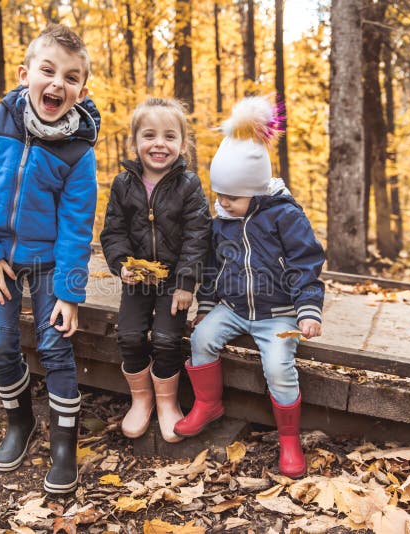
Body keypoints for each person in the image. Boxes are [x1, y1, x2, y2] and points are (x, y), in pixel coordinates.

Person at [0, 24, 100, 495]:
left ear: (81, 90)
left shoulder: (78, 150)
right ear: (25, 73)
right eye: (48, 71)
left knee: (56, 345)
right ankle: (20, 420)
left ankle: (63, 441)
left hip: (51, 261)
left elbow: (77, 225)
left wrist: (71, 294)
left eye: (71, 78)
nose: (57, 83)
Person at [173, 96, 325, 478]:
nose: (222, 203)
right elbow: (212, 266)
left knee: (278, 366)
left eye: (231, 197)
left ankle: (289, 438)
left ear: (256, 192)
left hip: (280, 313)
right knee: (201, 338)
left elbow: (305, 263)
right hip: (234, 307)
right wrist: (207, 306)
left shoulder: (284, 216)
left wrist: (308, 309)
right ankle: (209, 404)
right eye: (218, 194)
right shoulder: (223, 219)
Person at [100, 97, 211, 443]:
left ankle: (167, 401)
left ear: (182, 143)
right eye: (149, 135)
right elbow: (113, 231)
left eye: (169, 136)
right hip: (138, 279)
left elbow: (198, 235)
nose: (159, 144)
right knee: (130, 336)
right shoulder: (123, 185)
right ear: (134, 143)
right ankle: (141, 399)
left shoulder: (188, 185)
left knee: (165, 339)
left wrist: (186, 283)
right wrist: (120, 266)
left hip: (173, 283)